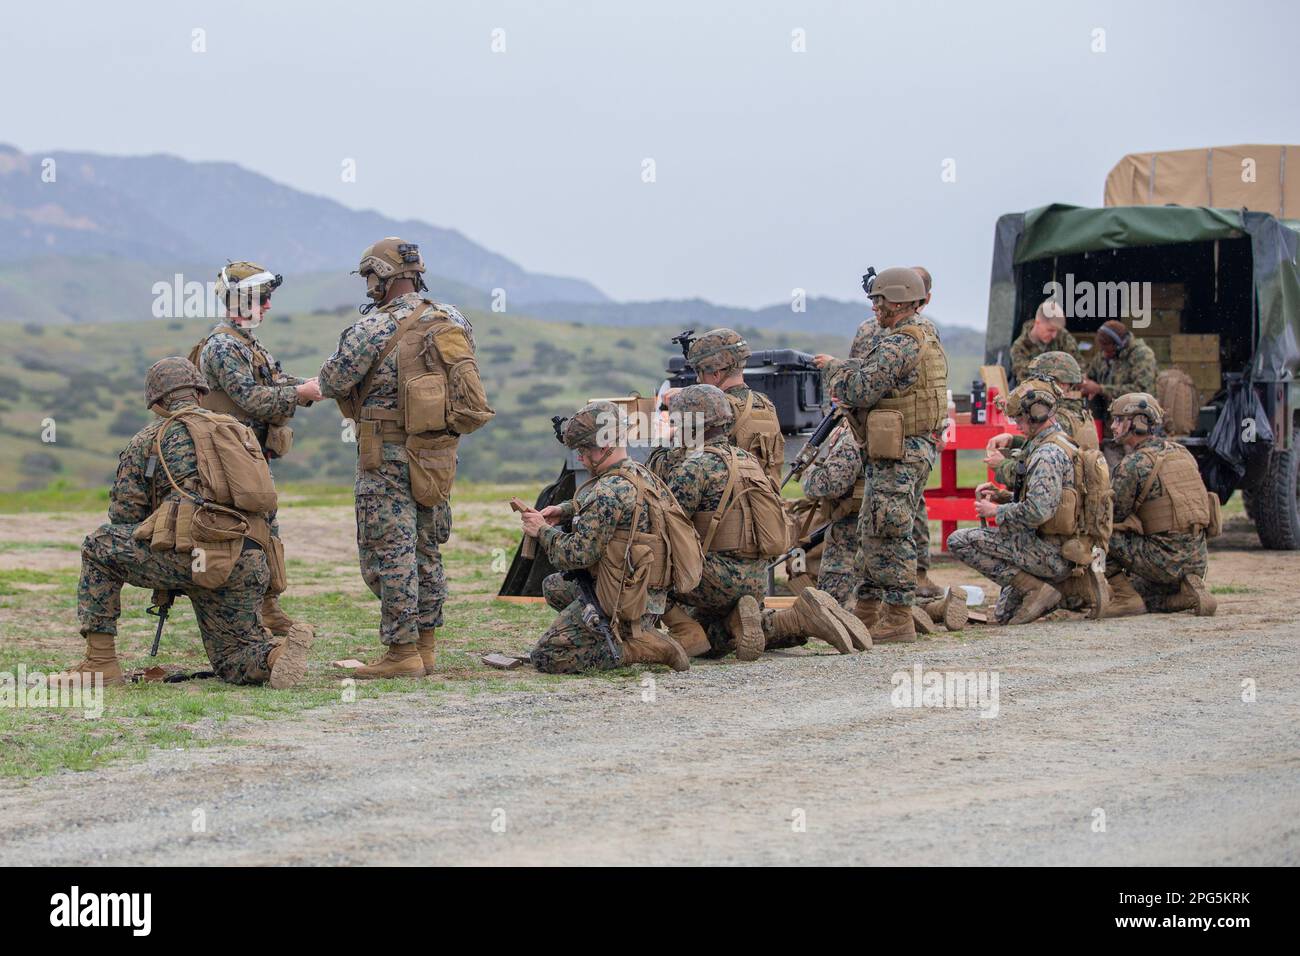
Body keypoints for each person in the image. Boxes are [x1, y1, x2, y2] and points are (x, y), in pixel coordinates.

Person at [54, 358, 312, 688]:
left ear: (158, 403)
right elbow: (266, 507)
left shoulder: (148, 440)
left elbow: (124, 518)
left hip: (188, 556)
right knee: (233, 660)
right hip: (245, 559)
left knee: (98, 546)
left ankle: (100, 663)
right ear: (200, 395)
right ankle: (274, 656)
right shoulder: (239, 434)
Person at [318, 237, 493, 679]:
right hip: (436, 452)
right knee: (426, 547)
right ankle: (426, 646)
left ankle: (401, 652)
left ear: (384, 276)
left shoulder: (370, 329)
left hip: (385, 454)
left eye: (370, 277)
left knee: (390, 550)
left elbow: (334, 380)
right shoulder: (454, 319)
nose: (368, 286)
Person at [654, 385, 865, 658]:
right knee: (710, 635)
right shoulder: (747, 460)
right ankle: (797, 621)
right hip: (756, 578)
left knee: (651, 563)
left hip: (715, 578)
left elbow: (665, 528)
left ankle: (684, 631)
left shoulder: (694, 468)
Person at [190, 260, 323, 635]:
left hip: (248, 457)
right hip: (229, 461)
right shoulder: (222, 346)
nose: (267, 307)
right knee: (245, 532)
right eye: (261, 299)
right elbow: (252, 399)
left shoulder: (246, 342)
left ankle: (268, 607)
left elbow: (274, 380)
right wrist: (300, 393)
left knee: (265, 529)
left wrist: (313, 385)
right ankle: (247, 613)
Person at [827, 267, 950, 642]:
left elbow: (861, 389)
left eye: (879, 301)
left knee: (888, 530)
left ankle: (897, 617)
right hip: (904, 448)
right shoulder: (925, 333)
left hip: (900, 451)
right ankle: (869, 608)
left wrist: (833, 371)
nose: (875, 308)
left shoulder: (901, 342)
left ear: (897, 301)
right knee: (873, 525)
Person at [520, 402, 689, 673]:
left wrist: (542, 530)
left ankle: (638, 647)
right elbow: (609, 509)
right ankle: (632, 631)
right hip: (647, 593)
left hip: (624, 598)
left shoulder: (607, 491)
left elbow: (574, 556)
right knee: (554, 587)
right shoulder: (642, 474)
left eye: (584, 451)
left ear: (604, 446)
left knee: (547, 656)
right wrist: (563, 512)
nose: (581, 459)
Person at [948, 382, 1106, 625]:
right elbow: (1051, 502)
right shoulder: (1059, 440)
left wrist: (996, 511)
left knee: (958, 541)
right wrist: (1002, 496)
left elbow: (1038, 511)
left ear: (1035, 415)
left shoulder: (1047, 454)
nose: (1016, 425)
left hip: (1048, 551)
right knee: (1004, 616)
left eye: (1019, 419)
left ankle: (1038, 589)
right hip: (1058, 548)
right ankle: (1050, 590)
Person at [1105, 393, 1217, 616]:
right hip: (1197, 557)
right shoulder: (1182, 453)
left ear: (1138, 423)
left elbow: (1112, 515)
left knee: (1098, 531)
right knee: (1149, 595)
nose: (1113, 426)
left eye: (1119, 420)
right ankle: (1185, 591)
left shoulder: (1133, 465)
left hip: (1163, 559)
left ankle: (1125, 599)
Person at [685, 329, 785, 483]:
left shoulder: (717, 411)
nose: (698, 380)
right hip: (767, 503)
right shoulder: (765, 404)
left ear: (716, 373)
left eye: (700, 373)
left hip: (727, 506)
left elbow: (684, 470)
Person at [1010, 298, 1083, 385]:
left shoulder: (1062, 337)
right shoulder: (1020, 348)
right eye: (1050, 330)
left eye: (1057, 331)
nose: (1054, 335)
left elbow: (1079, 368)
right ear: (1038, 323)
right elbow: (1025, 379)